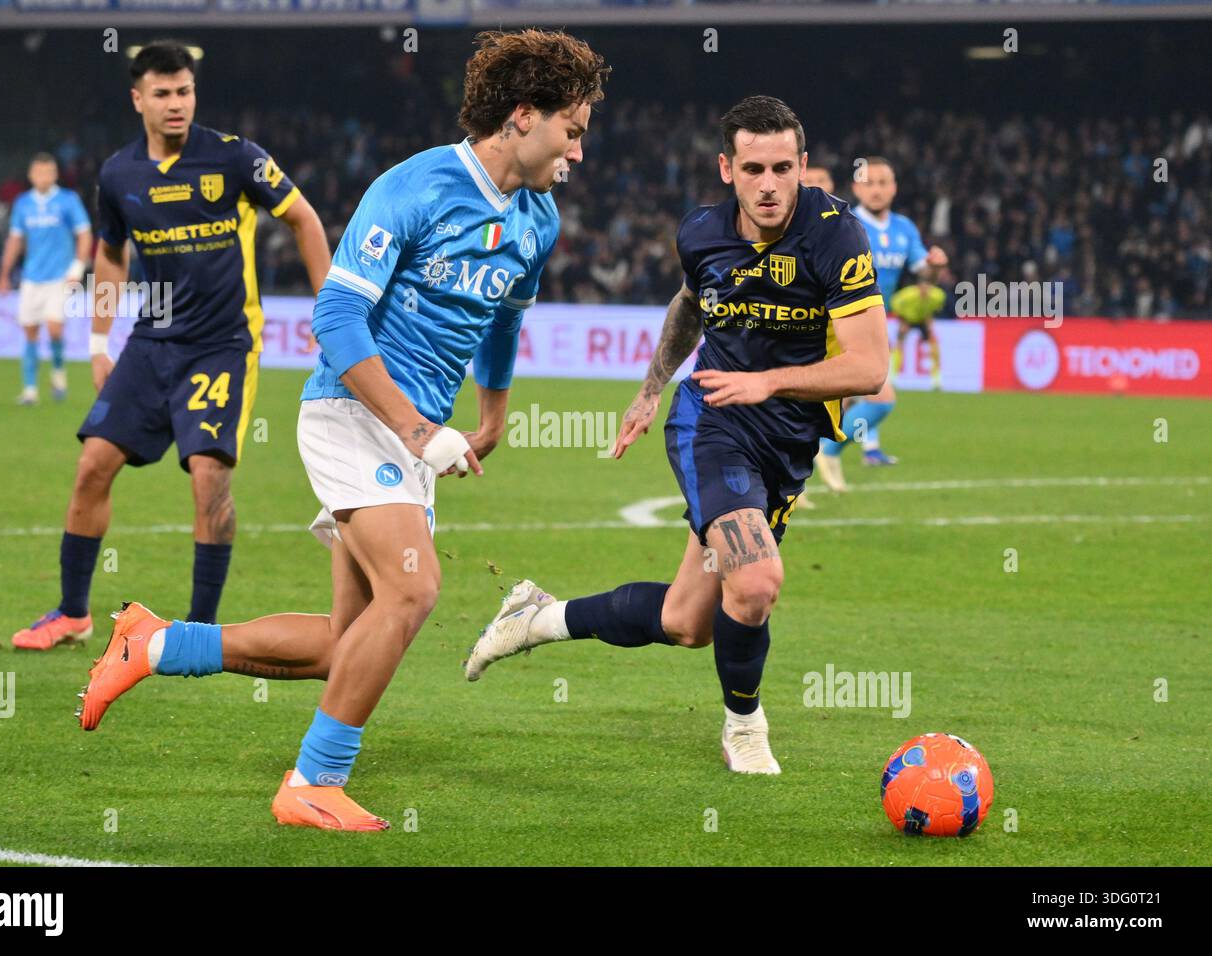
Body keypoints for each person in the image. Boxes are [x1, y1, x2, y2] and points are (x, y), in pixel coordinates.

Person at [74, 29, 609, 831]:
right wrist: (419, 428)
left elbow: (502, 322)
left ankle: (152, 644)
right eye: (573, 129)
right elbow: (337, 315)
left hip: (411, 438)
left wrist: (491, 415)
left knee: (342, 644)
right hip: (353, 413)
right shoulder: (418, 186)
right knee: (416, 587)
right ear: (523, 118)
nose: (578, 150)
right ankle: (313, 783)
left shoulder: (538, 222)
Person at [464, 95, 889, 775]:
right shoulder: (701, 233)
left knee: (689, 622)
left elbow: (870, 368)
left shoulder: (836, 235)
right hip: (712, 422)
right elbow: (691, 305)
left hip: (787, 441)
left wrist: (770, 382)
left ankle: (537, 617)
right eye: (754, 167)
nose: (770, 183)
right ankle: (744, 726)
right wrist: (651, 388)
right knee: (754, 584)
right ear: (728, 168)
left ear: (804, 167)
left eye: (784, 167)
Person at [11, 40, 330, 650]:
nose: (176, 103)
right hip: (151, 343)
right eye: (162, 93)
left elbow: (305, 220)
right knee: (91, 467)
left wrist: (333, 312)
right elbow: (110, 254)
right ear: (139, 99)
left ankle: (200, 631)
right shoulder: (119, 174)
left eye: (184, 90)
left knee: (209, 476)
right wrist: (99, 339)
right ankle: (72, 613)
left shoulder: (236, 158)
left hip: (222, 346)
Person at [813, 157, 947, 487]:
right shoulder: (840, 222)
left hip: (871, 325)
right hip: (834, 323)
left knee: (839, 400)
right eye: (868, 183)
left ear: (894, 187)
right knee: (880, 396)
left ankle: (799, 470)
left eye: (883, 182)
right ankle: (825, 452)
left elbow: (923, 273)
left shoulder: (904, 228)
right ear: (856, 187)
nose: (876, 189)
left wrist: (935, 266)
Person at [0, 152, 92, 405]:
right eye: (38, 172)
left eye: (48, 172)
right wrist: (4, 274)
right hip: (31, 277)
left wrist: (77, 268)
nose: (43, 177)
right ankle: (30, 391)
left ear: (55, 175)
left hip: (60, 277)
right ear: (31, 175)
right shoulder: (23, 203)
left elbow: (84, 234)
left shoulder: (68, 200)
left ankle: (58, 371)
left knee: (54, 327)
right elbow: (15, 240)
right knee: (30, 332)